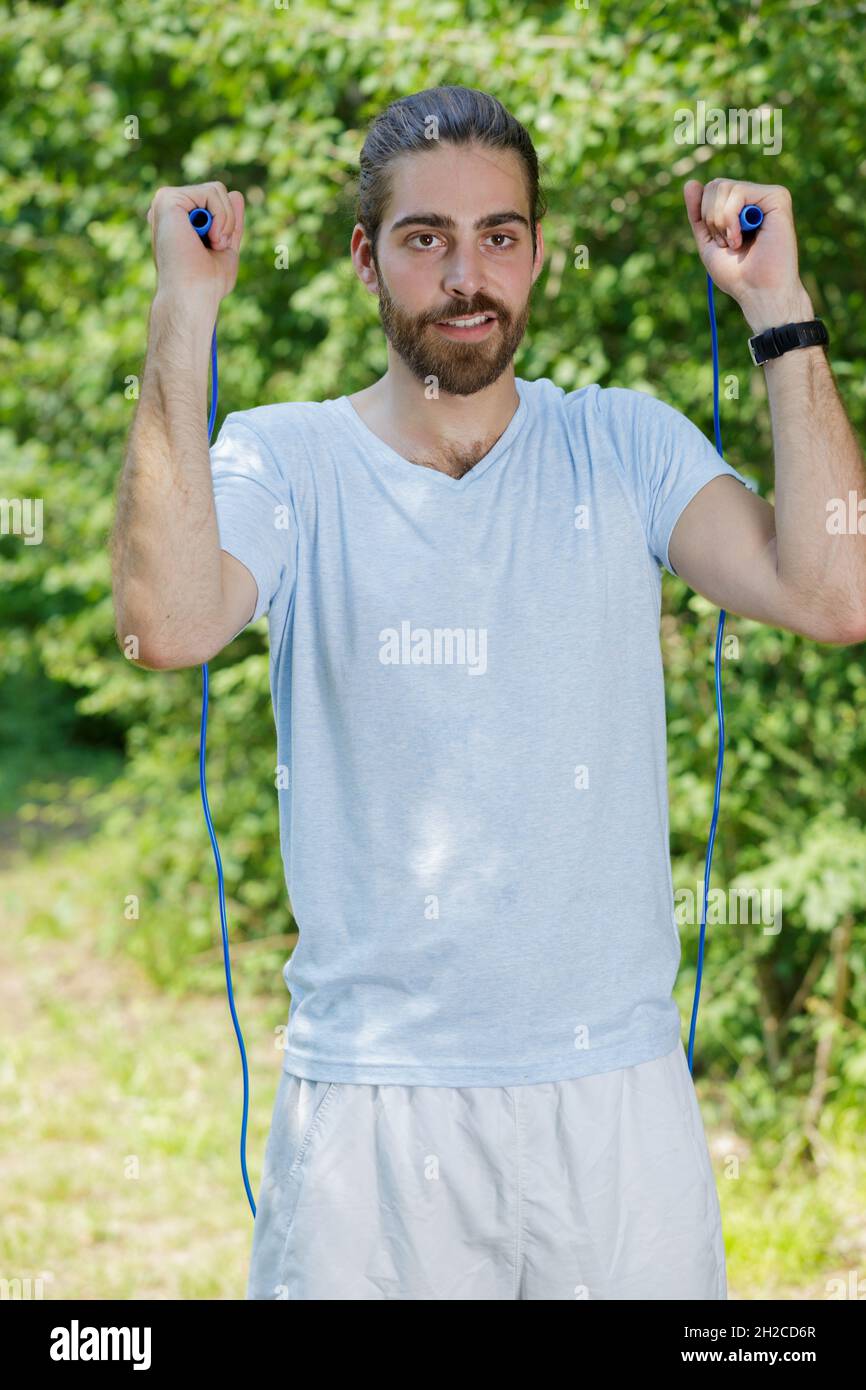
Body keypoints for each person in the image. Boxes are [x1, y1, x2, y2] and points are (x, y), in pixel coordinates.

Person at [111, 85, 865, 1300]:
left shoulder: (622, 444)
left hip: (610, 1099)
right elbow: (164, 623)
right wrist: (181, 313)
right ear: (366, 258)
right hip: (372, 1105)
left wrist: (777, 304)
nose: (467, 276)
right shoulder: (283, 458)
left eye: (498, 237)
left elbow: (836, 593)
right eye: (425, 239)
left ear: (534, 253)